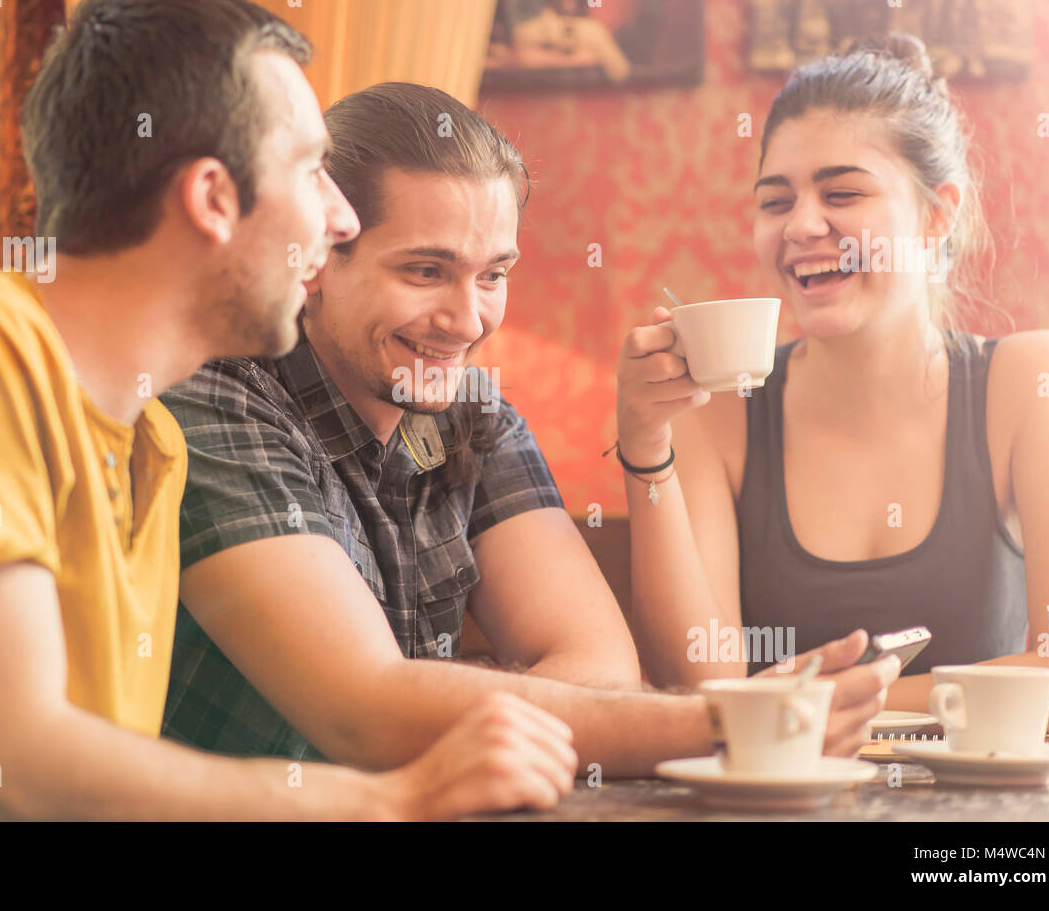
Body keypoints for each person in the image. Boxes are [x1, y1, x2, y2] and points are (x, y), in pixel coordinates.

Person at [0, 0, 581, 821]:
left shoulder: (154, 446)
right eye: (312, 169)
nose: (341, 216)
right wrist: (388, 800)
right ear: (212, 197)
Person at [157, 81, 897, 774]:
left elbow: (599, 664)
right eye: (425, 271)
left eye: (492, 275)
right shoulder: (218, 399)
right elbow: (366, 711)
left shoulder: (474, 415)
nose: (467, 319)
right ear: (318, 257)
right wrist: (735, 723)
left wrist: (451, 706)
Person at [620, 34, 1049, 712]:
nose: (802, 225)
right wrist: (645, 445)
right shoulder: (715, 408)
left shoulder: (1038, 382)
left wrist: (815, 705)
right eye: (776, 201)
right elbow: (699, 692)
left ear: (937, 215)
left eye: (841, 192)